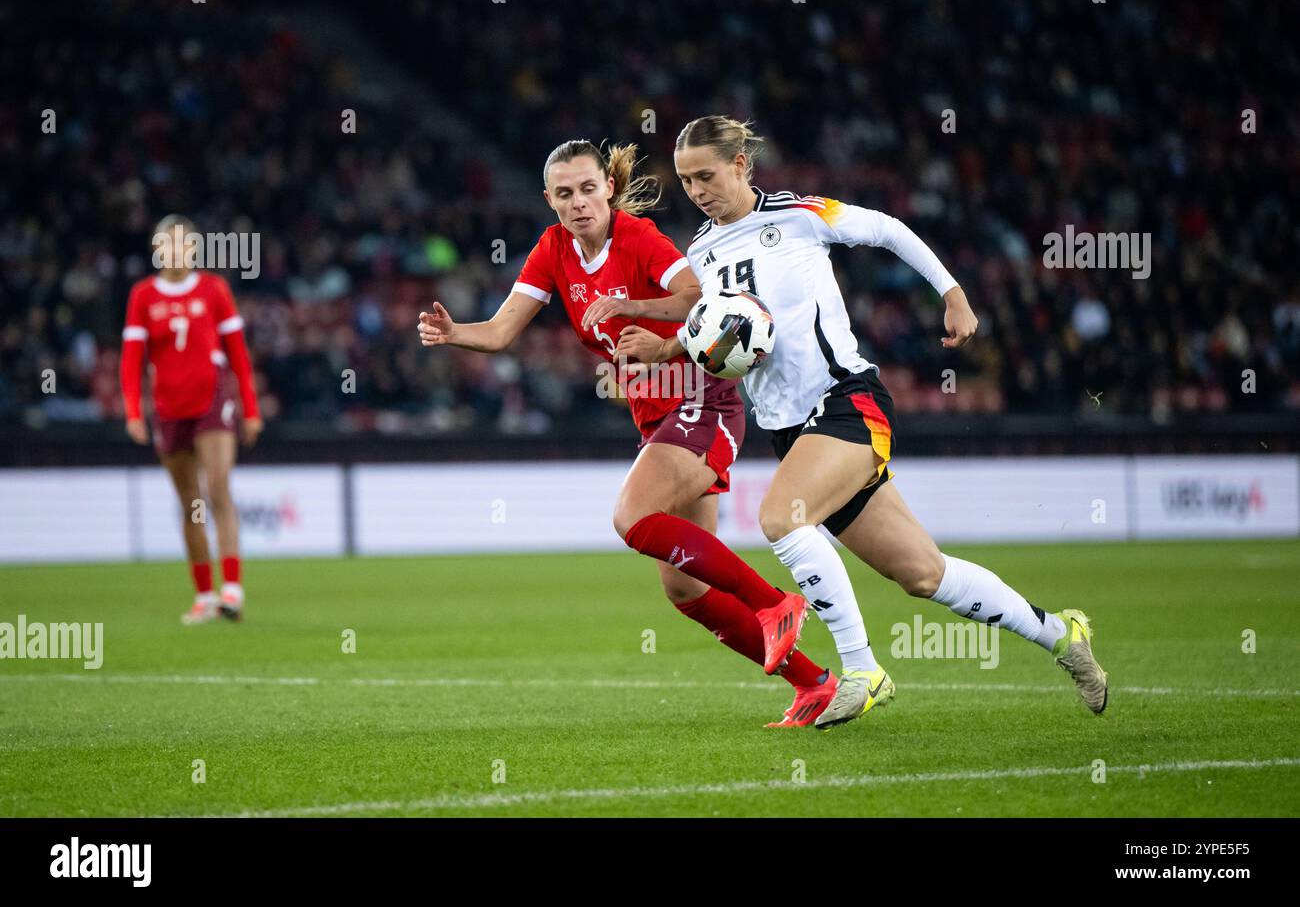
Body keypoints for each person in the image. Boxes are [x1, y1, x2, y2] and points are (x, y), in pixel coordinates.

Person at [617, 116, 1108, 727]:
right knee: (926, 575)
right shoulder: (701, 253)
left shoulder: (798, 214)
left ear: (742, 165)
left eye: (706, 175)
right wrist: (663, 349)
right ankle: (1062, 634)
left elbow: (889, 231)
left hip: (846, 400)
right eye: (687, 180)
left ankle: (862, 671)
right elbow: (717, 340)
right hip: (791, 431)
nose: (696, 190)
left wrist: (952, 293)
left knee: (781, 518)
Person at [417, 140, 841, 727]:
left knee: (631, 518)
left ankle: (775, 603)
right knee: (685, 589)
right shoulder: (554, 250)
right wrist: (453, 332)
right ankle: (815, 684)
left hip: (702, 398)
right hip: (657, 420)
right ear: (550, 201)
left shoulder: (638, 237)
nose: (579, 202)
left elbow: (699, 295)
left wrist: (629, 303)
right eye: (564, 194)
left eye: (588, 188)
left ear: (608, 189)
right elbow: (500, 331)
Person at [120, 214, 262, 624]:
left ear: (195, 249)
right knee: (190, 504)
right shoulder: (143, 296)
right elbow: (132, 360)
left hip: (211, 402)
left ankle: (231, 590)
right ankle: (204, 595)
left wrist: (250, 409)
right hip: (169, 408)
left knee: (218, 487)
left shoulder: (214, 290)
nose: (176, 252)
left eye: (184, 244)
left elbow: (238, 354)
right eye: (168, 244)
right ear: (157, 250)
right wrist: (133, 410)